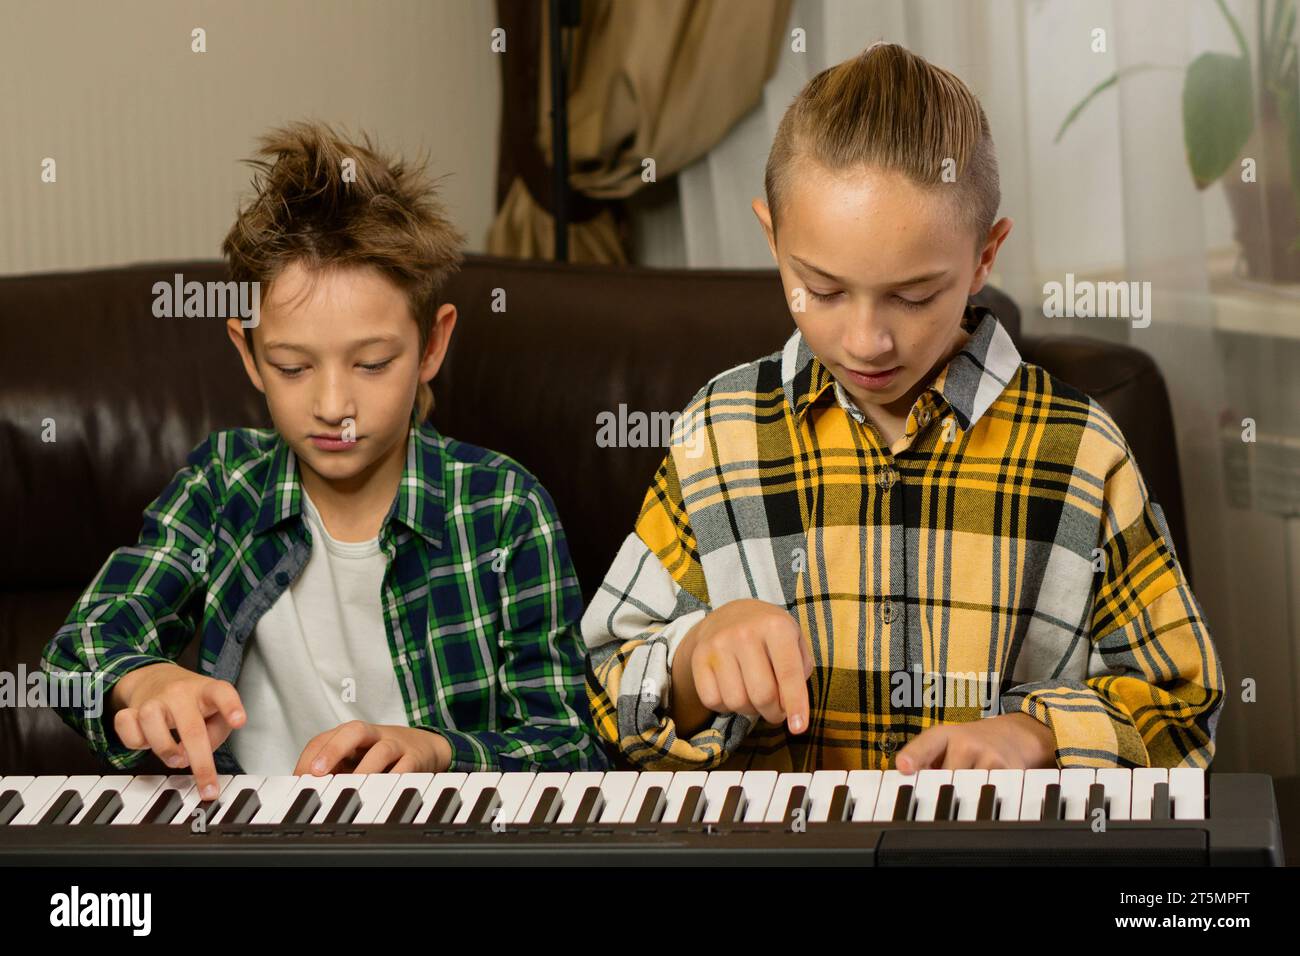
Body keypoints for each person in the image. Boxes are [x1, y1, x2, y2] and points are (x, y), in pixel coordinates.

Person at [582, 43, 1223, 773]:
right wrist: (695, 660)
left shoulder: (1082, 452)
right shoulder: (717, 434)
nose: (866, 341)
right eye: (821, 290)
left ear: (985, 257)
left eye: (915, 297)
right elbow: (598, 695)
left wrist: (1040, 736)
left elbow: (1185, 714)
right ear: (774, 239)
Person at [43, 120, 606, 800]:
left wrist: (436, 752)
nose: (334, 403)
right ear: (248, 354)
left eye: (371, 364)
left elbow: (572, 747)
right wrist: (145, 679)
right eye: (292, 366)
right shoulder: (223, 485)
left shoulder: (503, 508)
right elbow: (77, 651)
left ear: (433, 346)